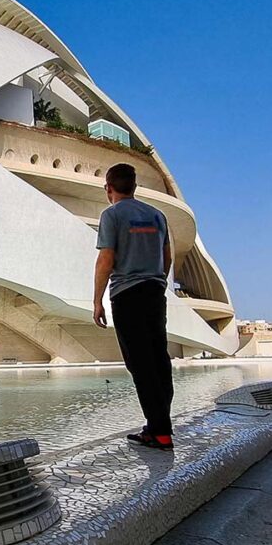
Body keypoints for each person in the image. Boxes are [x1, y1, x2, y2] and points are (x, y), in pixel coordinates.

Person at [93, 163, 175, 451]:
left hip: (127, 295)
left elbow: (106, 259)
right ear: (135, 186)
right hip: (155, 293)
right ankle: (161, 425)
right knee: (158, 359)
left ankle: (159, 432)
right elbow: (167, 257)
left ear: (108, 187)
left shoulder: (111, 215)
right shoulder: (157, 215)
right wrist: (157, 280)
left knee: (139, 363)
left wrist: (97, 301)